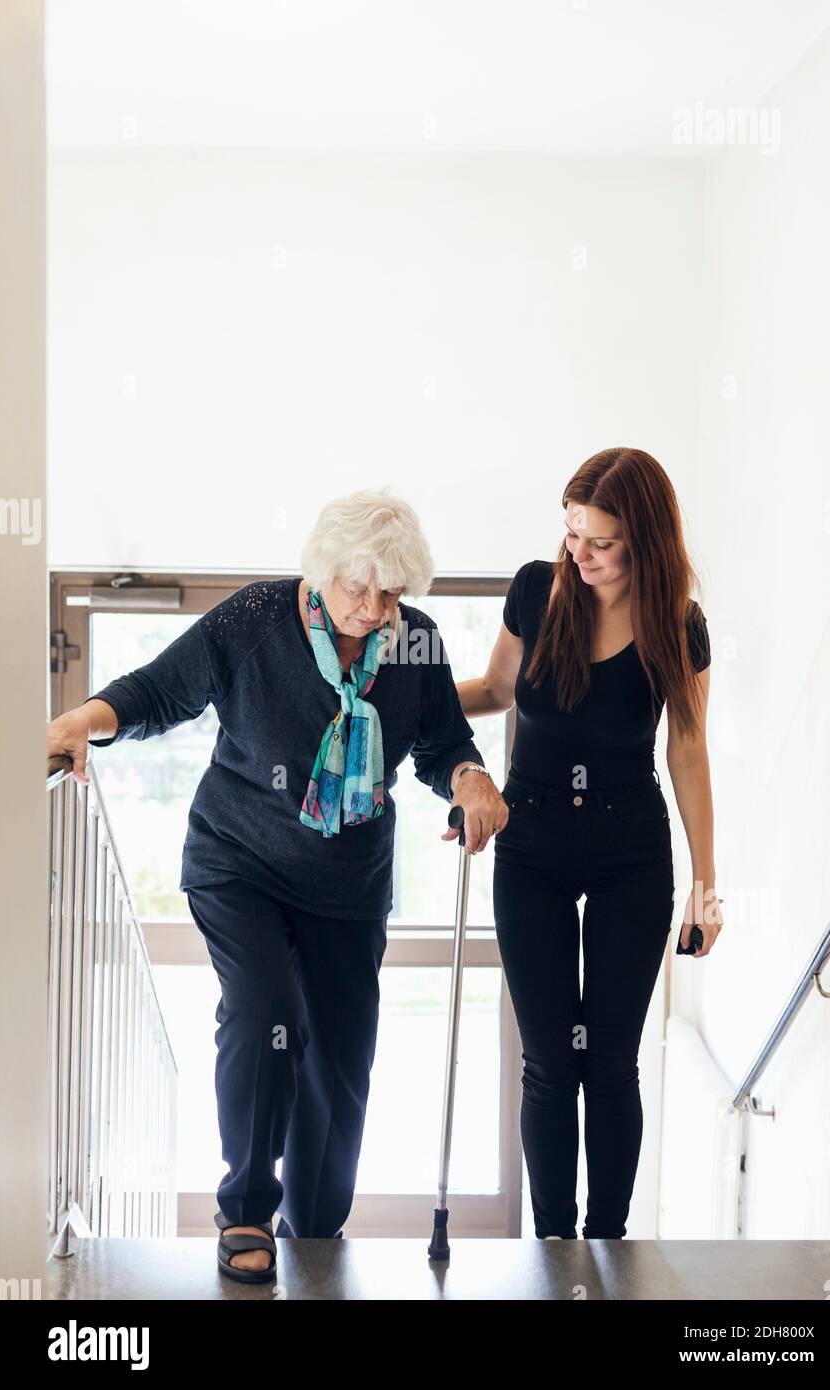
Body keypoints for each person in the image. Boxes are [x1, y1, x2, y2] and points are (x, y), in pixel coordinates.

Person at [46, 488, 508, 1281]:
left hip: (346, 882)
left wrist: (469, 779)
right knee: (266, 1012)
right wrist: (78, 723)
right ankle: (247, 1213)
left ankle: (316, 1230)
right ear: (321, 570)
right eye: (356, 587)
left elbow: (440, 741)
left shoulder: (417, 644)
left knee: (338, 1061)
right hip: (241, 861)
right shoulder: (255, 620)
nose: (371, 608)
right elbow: (160, 692)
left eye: (389, 593)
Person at [456, 447, 724, 1240]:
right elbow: (498, 690)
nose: (580, 553)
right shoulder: (539, 590)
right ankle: (554, 1253)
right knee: (549, 1065)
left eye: (600, 541)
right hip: (531, 837)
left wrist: (705, 882)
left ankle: (606, 1253)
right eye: (572, 533)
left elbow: (687, 748)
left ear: (644, 538)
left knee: (608, 1065)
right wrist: (404, 694)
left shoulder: (679, 625)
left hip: (628, 850)